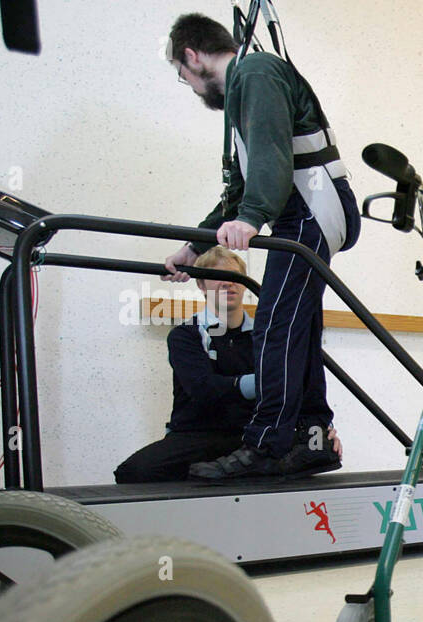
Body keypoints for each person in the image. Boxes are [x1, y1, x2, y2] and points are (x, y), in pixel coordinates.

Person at [161, 12, 360, 480]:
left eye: (182, 75)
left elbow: (272, 157)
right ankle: (312, 437)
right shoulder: (242, 94)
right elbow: (237, 190)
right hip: (303, 207)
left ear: (192, 56)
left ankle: (267, 444)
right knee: (298, 325)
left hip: (312, 205)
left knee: (273, 323)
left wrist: (252, 217)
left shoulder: (255, 71)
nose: (188, 85)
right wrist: (194, 247)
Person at [115, 247, 341, 483]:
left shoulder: (269, 338)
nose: (227, 284)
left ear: (243, 284)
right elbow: (204, 389)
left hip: (252, 436)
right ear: (201, 285)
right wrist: (270, 381)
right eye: (217, 277)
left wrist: (318, 433)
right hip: (197, 435)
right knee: (133, 472)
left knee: (320, 451)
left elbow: (301, 387)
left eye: (234, 277)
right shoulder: (185, 334)